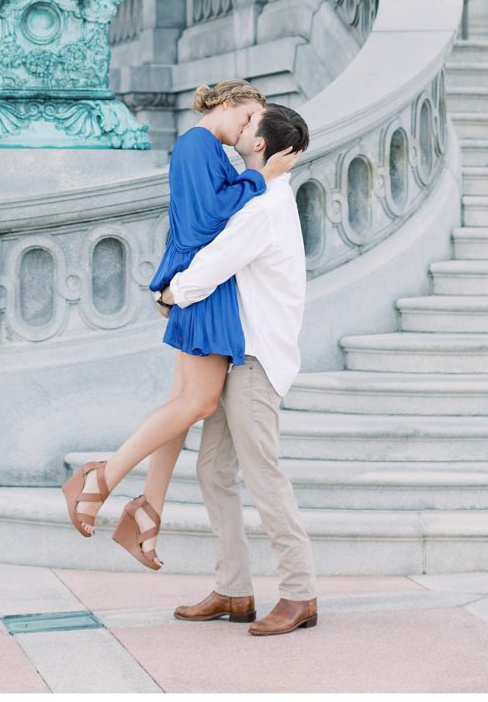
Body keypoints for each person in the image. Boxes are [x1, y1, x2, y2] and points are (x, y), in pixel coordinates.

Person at [61, 80, 300, 568]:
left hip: (205, 287)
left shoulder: (211, 150)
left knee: (184, 405)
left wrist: (251, 178)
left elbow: (212, 215)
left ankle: (147, 515)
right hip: (204, 288)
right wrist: (259, 177)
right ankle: (100, 479)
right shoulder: (197, 143)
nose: (249, 129)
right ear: (229, 104)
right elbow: (207, 218)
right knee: (198, 400)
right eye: (249, 116)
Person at [157, 103, 318, 637]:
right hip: (237, 354)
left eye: (250, 124)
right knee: (213, 471)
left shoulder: (264, 205)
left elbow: (215, 261)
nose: (241, 126)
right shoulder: (263, 195)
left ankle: (299, 594)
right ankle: (233, 589)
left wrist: (172, 292)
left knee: (263, 474)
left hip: (254, 359)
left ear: (260, 147)